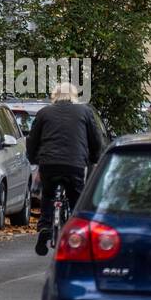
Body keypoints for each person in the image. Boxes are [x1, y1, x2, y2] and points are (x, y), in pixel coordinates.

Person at [26, 81, 103, 256]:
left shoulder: (44, 113)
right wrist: (94, 159)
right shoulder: (85, 112)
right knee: (77, 197)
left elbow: (33, 140)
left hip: (49, 163)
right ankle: (78, 231)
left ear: (55, 96)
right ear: (74, 96)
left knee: (48, 195)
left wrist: (34, 159)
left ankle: (45, 226)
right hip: (74, 163)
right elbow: (95, 140)